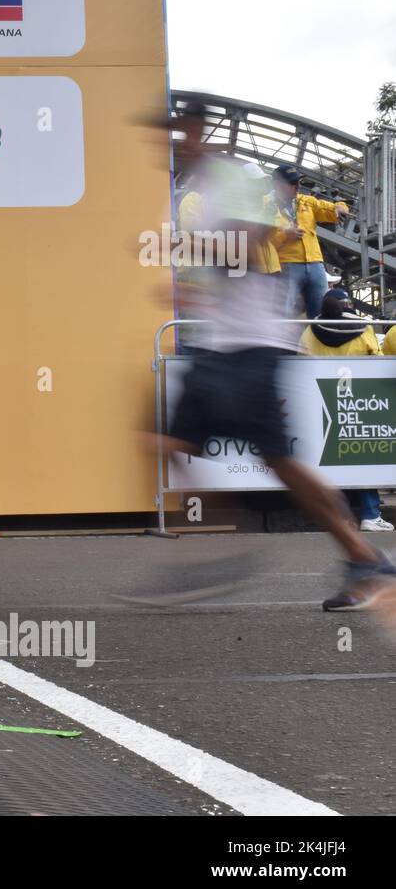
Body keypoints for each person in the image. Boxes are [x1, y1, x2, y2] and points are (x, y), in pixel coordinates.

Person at [148, 104, 396, 612]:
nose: (171, 147)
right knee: (162, 438)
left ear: (197, 132)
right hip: (222, 344)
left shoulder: (236, 181)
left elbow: (258, 243)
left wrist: (192, 249)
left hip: (253, 343)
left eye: (177, 136)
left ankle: (347, 554)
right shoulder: (196, 195)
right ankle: (339, 554)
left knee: (277, 460)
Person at [296, 289, 393, 532]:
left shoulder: (310, 330)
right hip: (358, 402)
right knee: (361, 455)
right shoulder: (364, 328)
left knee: (324, 462)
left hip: (319, 403)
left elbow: (300, 362)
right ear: (348, 305)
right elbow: (378, 360)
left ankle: (335, 516)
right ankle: (370, 514)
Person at [272, 165, 349, 319]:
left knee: (321, 315)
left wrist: (340, 208)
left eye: (299, 182)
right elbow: (261, 238)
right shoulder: (266, 204)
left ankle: (318, 340)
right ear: (278, 185)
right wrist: (285, 235)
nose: (298, 187)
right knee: (283, 313)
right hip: (287, 264)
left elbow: (334, 207)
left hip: (315, 264)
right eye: (293, 183)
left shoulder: (307, 202)